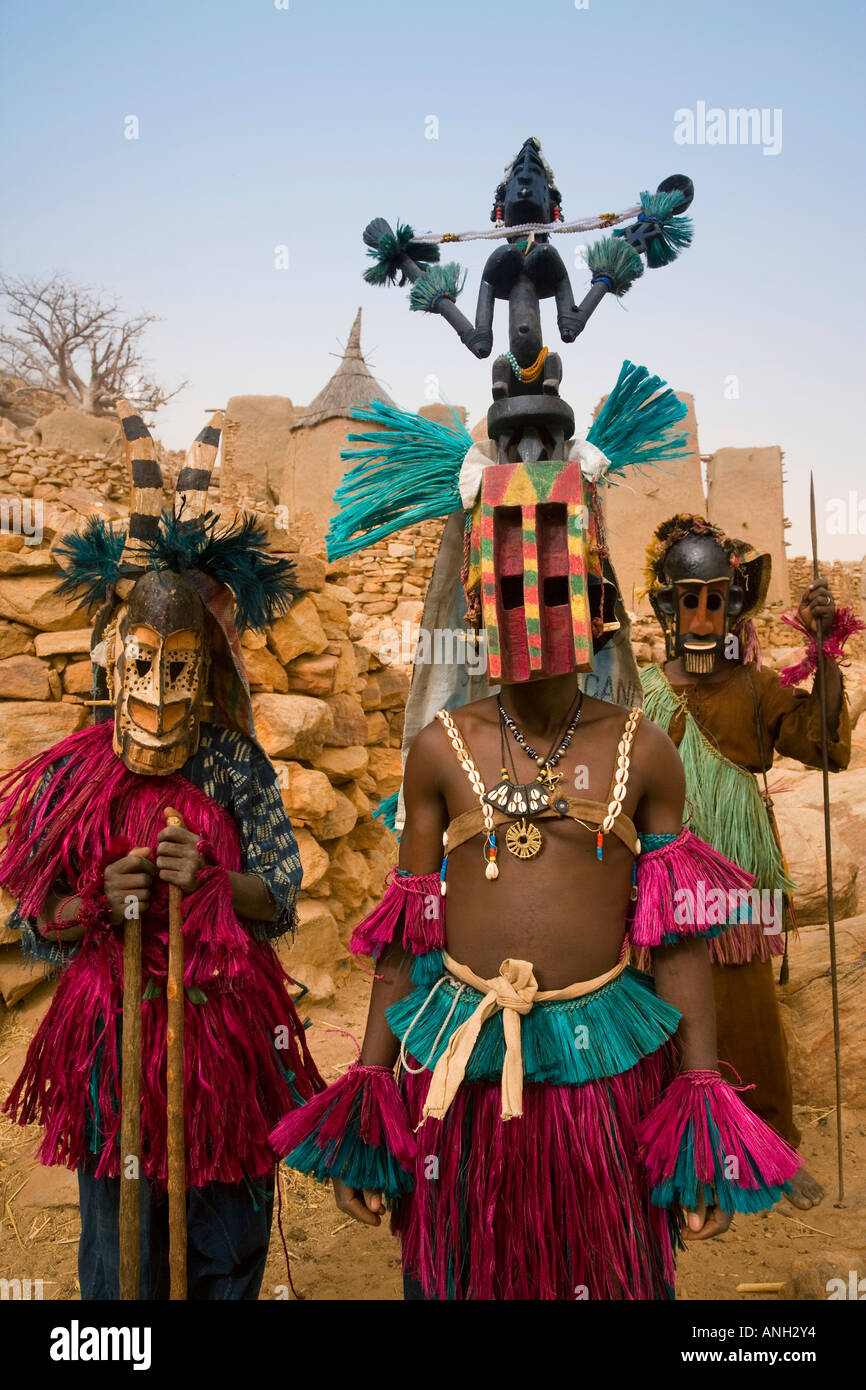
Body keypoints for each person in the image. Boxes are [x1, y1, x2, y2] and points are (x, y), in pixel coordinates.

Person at [271, 403, 800, 1301]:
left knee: (608, 1273)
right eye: (506, 592)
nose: (529, 613)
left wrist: (700, 1101)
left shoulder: (644, 751)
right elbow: (405, 940)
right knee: (459, 1273)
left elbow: (678, 944)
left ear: (598, 608)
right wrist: (371, 1088)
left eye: (555, 591)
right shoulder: (440, 750)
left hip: (603, 1071)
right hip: (464, 1065)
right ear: (477, 608)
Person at [0, 402, 322, 1299]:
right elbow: (36, 923)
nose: (159, 689)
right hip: (113, 1033)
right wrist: (95, 901)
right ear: (116, 658)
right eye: (143, 664)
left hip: (224, 1031)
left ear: (205, 667)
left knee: (226, 1241)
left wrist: (220, 885)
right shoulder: (73, 775)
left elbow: (282, 893)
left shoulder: (235, 764)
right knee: (121, 1253)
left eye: (180, 668)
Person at [638, 513, 858, 1211]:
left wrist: (823, 654)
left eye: (717, 600)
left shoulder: (757, 686)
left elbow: (824, 746)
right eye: (690, 600)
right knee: (655, 1001)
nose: (704, 617)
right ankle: (673, 1145)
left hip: (739, 877)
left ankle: (770, 1144)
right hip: (659, 878)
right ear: (668, 608)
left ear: (734, 608)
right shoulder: (640, 690)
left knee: (747, 1005)